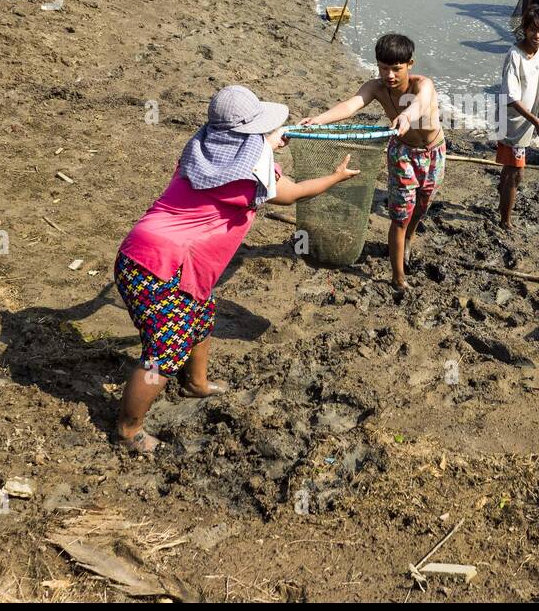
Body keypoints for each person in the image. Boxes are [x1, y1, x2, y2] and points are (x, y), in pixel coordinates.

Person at [115, 85, 358, 454]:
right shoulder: (249, 174)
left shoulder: (200, 147)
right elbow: (292, 193)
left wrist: (268, 141)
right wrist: (335, 177)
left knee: (200, 316)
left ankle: (196, 382)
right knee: (162, 354)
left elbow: (245, 150)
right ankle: (129, 430)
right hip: (164, 268)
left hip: (141, 253)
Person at [300, 33, 444, 291]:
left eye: (396, 69)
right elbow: (350, 105)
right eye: (383, 67)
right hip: (402, 153)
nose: (389, 75)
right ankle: (398, 277)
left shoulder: (423, 84)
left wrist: (406, 117)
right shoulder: (376, 87)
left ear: (410, 64)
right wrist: (317, 120)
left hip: (434, 152)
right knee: (400, 216)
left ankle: (409, 237)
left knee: (421, 207)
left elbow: (420, 104)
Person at [497, 5, 539, 229]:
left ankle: (502, 195)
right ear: (524, 29)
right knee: (516, 173)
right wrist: (536, 121)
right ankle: (505, 221)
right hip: (511, 122)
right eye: (532, 30)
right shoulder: (514, 55)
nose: (537, 36)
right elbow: (510, 98)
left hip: (528, 120)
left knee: (510, 169)